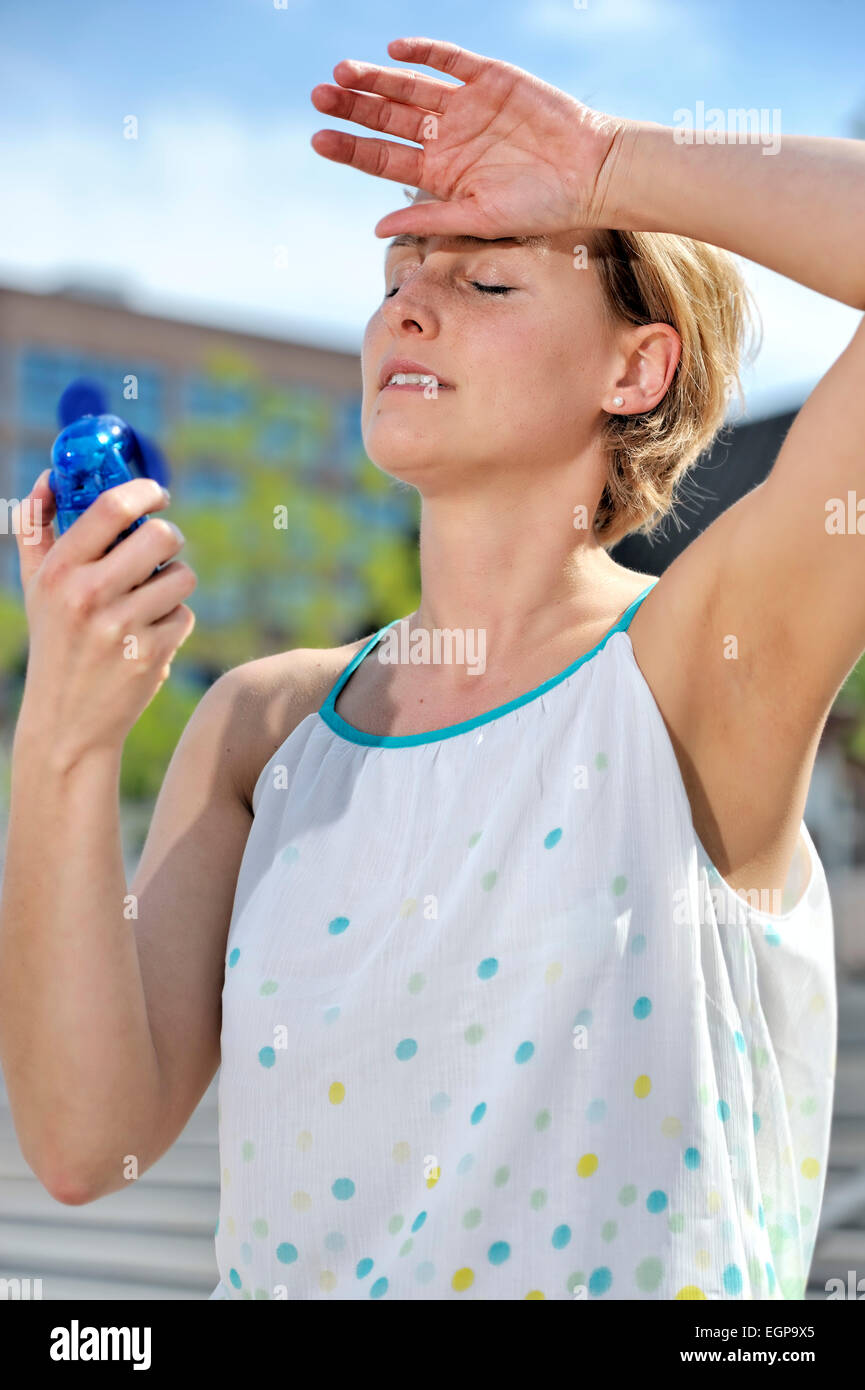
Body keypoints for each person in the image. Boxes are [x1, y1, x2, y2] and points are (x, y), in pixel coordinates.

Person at [2, 36, 861, 1301]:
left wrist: (609, 164)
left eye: (489, 281)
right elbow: (86, 1143)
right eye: (403, 268)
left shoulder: (697, 664)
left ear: (636, 367)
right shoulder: (262, 726)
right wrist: (65, 738)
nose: (409, 301)